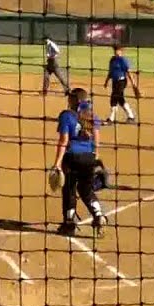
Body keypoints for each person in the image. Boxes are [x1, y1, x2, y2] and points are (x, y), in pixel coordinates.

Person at [52, 88, 107, 237]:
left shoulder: (66, 116)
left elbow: (64, 141)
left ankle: (69, 225)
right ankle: (99, 216)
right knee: (86, 190)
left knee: (69, 190)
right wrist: (95, 157)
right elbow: (96, 140)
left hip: (72, 158)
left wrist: (57, 164)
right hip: (89, 157)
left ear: (73, 101)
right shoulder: (92, 117)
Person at [104, 44, 139, 123]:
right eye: (115, 50)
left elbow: (128, 72)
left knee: (114, 97)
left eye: (118, 50)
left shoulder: (123, 60)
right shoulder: (112, 60)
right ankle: (131, 116)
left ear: (121, 51)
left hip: (122, 82)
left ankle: (111, 118)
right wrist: (106, 81)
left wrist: (133, 82)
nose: (116, 52)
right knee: (120, 99)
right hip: (115, 82)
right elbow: (110, 72)